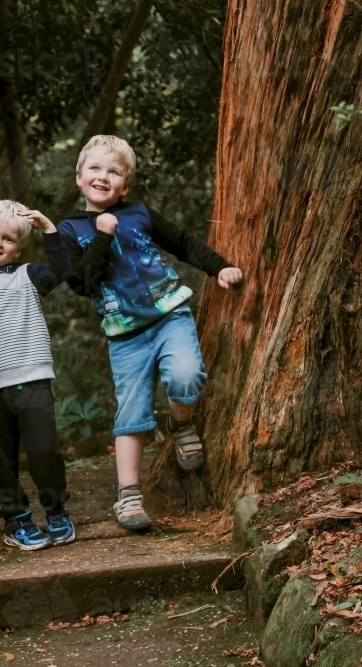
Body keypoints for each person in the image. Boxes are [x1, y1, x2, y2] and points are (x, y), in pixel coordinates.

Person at [58, 135, 244, 531]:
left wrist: (220, 267)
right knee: (132, 412)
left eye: (114, 172)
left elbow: (182, 241)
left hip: (168, 316)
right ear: (79, 177)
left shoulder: (139, 213)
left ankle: (179, 424)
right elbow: (82, 282)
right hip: (124, 336)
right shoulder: (69, 228)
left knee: (185, 376)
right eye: (95, 168)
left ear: (125, 185)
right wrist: (103, 235)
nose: (103, 176)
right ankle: (128, 496)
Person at [0, 200, 74, 550]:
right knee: (1, 459)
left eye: (7, 239)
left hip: (34, 378)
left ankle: (56, 512)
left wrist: (49, 229)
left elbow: (62, 267)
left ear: (18, 248)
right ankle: (16, 520)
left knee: (44, 451)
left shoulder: (28, 276)